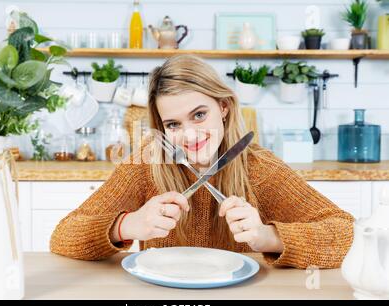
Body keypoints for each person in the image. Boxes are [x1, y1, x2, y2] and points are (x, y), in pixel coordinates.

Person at [50, 55, 354, 269]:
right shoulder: (146, 164)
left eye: (199, 115)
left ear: (223, 107)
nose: (190, 135)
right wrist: (128, 225)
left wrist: (268, 237)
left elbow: (346, 234)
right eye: (173, 124)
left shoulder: (260, 168)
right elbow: (62, 236)